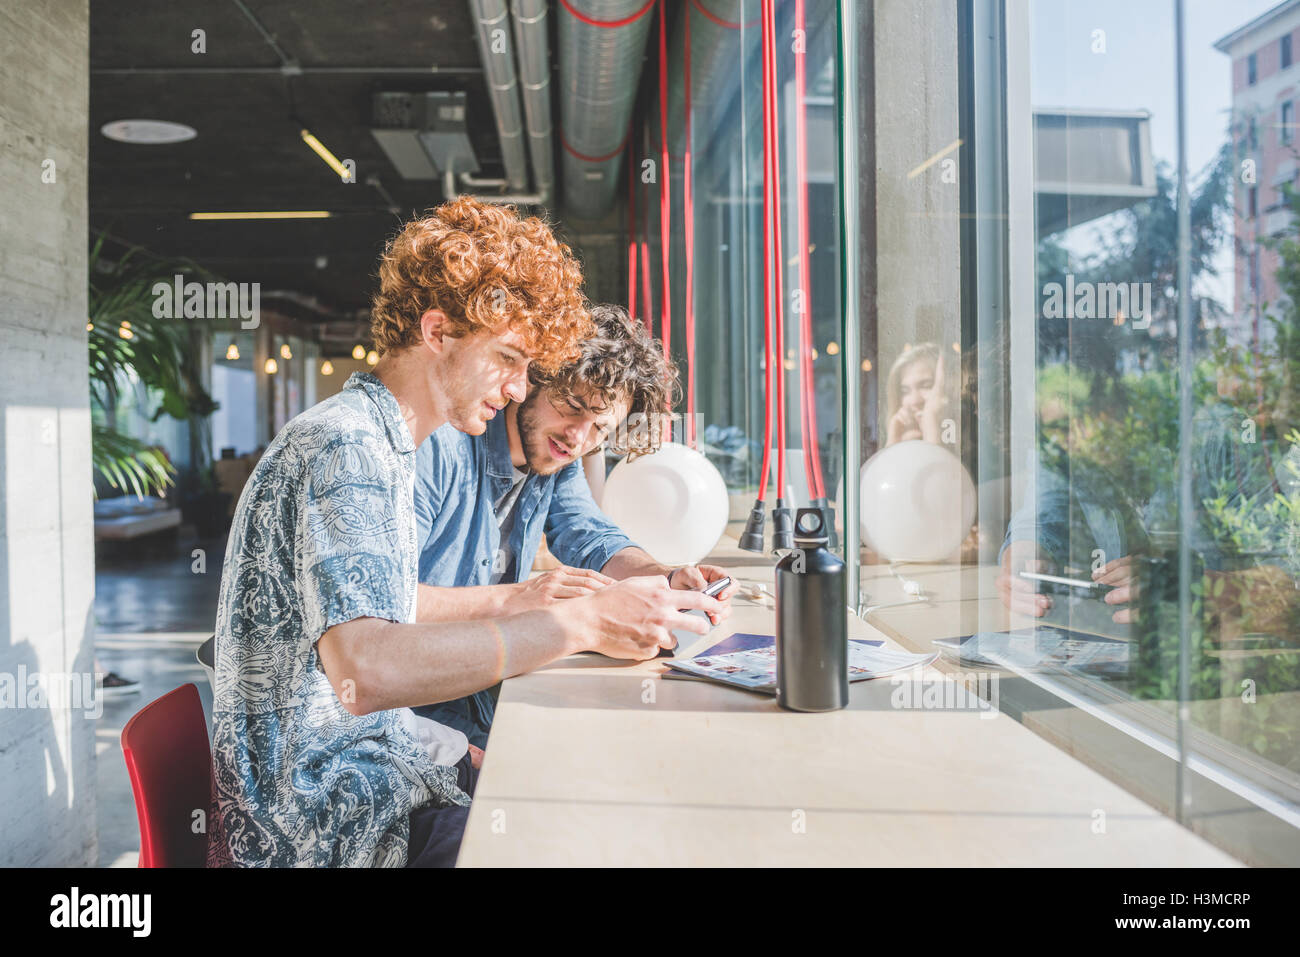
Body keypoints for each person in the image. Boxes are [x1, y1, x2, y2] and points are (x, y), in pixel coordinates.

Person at [207, 198, 723, 868]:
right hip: (326, 829)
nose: (517, 388)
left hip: (380, 781)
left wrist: (645, 584)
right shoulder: (347, 447)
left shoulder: (383, 442)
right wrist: (581, 624)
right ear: (437, 331)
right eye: (508, 359)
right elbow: (367, 672)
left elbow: (584, 533)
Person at [410, 304, 737, 746]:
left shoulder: (558, 461)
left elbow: (588, 533)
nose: (578, 438)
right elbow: (387, 605)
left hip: (485, 694)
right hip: (414, 710)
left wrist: (665, 577)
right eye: (572, 407)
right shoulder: (439, 445)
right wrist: (518, 599)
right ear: (532, 378)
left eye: (600, 427)